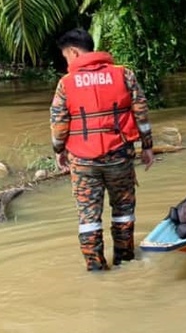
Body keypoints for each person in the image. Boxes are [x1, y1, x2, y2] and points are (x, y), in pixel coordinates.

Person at [50, 28, 155, 271]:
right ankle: (125, 260)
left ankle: (96, 268)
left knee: (88, 218)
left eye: (66, 57)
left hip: (83, 162)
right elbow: (141, 112)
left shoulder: (66, 84)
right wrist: (147, 146)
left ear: (74, 52)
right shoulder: (124, 74)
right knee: (123, 211)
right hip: (119, 157)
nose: (67, 62)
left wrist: (59, 150)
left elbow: (58, 123)